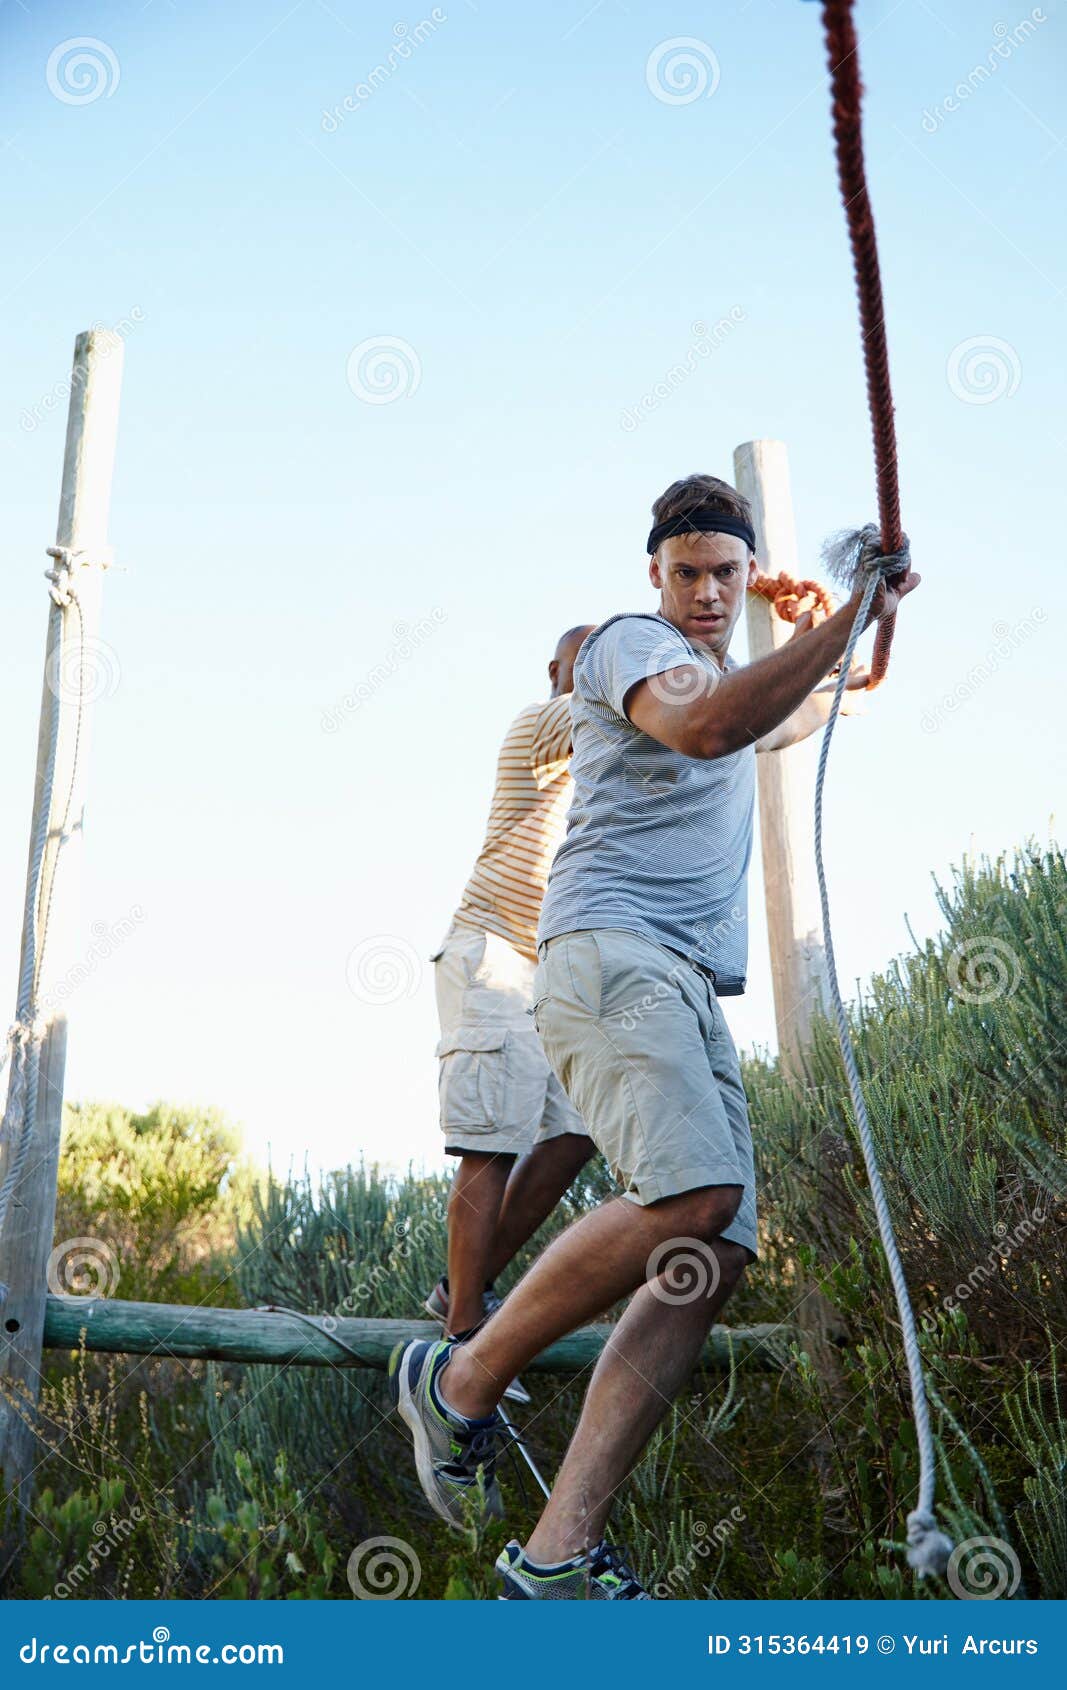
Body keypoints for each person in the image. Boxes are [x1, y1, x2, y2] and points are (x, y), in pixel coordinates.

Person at [391, 473, 919, 1596]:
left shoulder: (738, 671)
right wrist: (833, 618)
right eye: (688, 572)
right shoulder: (628, 647)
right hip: (606, 954)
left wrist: (870, 605)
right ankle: (460, 1374)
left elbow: (846, 684)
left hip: (677, 981)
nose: (706, 592)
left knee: (708, 1255)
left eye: (724, 574)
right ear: (654, 574)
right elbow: (704, 722)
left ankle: (557, 1551)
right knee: (690, 1203)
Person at [423, 626, 597, 1404]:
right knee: (490, 1140)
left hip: (547, 968)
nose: (601, 670)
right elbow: (616, 706)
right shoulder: (543, 719)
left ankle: (466, 1289)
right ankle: (464, 1333)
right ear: (556, 670)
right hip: (491, 947)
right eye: (586, 660)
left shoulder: (606, 766)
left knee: (574, 1131)